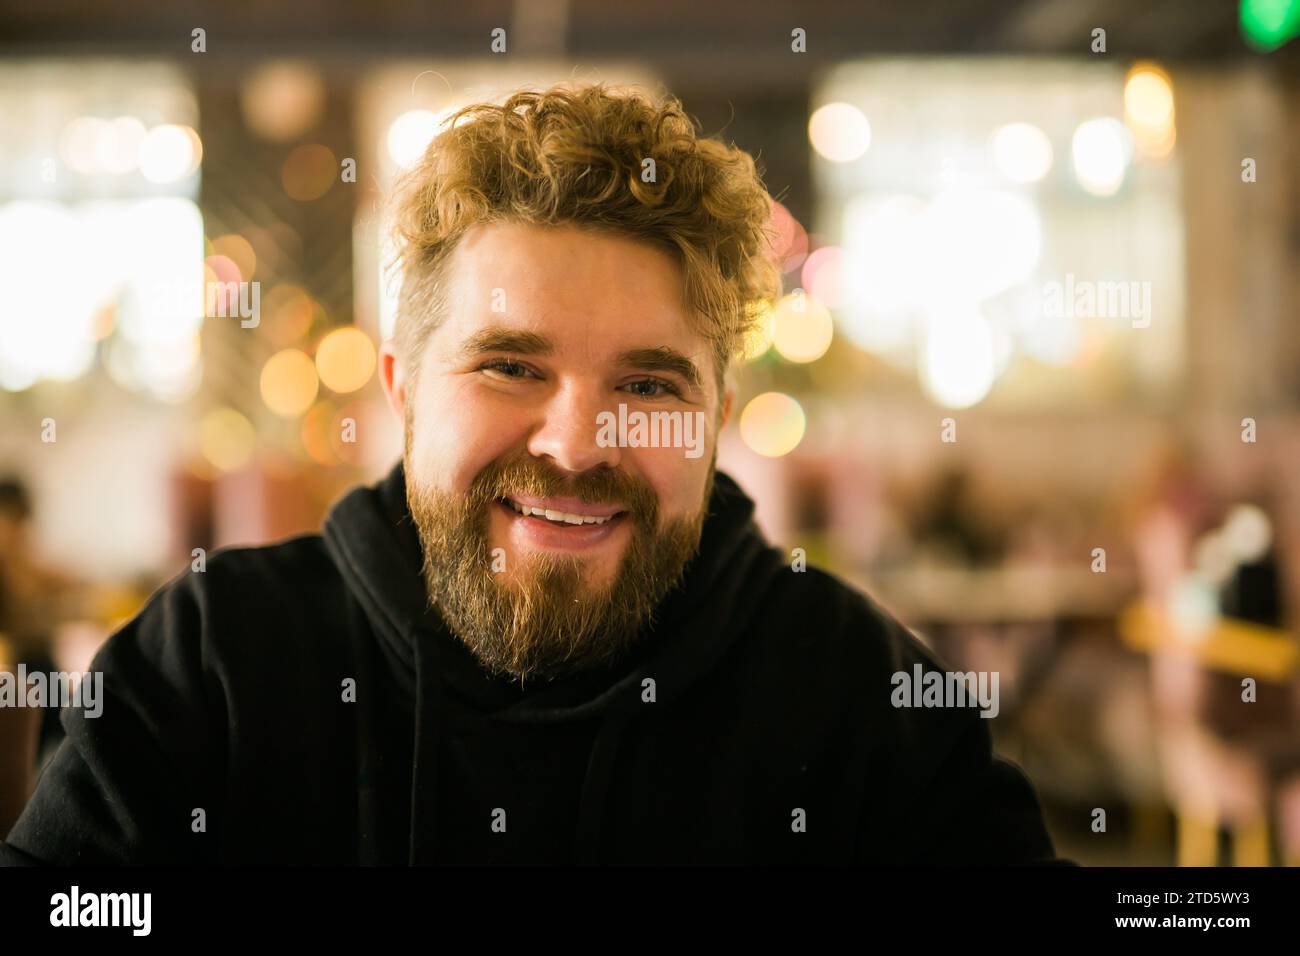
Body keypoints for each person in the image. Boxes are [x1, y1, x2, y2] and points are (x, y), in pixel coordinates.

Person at [1, 82, 1060, 865]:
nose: (574, 443)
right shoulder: (211, 669)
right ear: (404, 390)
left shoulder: (856, 693)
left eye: (648, 386)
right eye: (510, 365)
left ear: (717, 418)